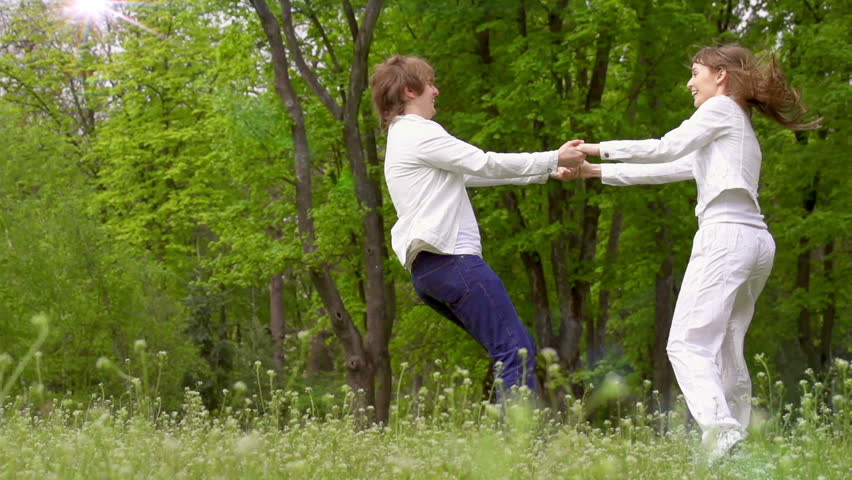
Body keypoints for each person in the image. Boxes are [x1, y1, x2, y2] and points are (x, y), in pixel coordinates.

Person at [570, 44, 820, 458]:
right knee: (725, 345)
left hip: (724, 236)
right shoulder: (736, 125)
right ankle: (738, 443)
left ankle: (723, 436)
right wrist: (595, 171)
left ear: (720, 75)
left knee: (686, 344)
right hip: (754, 241)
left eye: (695, 72)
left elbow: (667, 146)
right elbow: (673, 168)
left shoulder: (720, 110)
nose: (690, 82)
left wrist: (594, 148)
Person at [369, 55, 585, 399]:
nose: (437, 90)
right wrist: (554, 157)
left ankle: (506, 444)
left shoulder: (401, 138)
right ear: (411, 90)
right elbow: (484, 162)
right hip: (453, 262)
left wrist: (546, 172)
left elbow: (469, 174)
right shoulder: (418, 132)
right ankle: (517, 448)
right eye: (431, 84)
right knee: (516, 352)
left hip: (429, 272)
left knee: (511, 349)